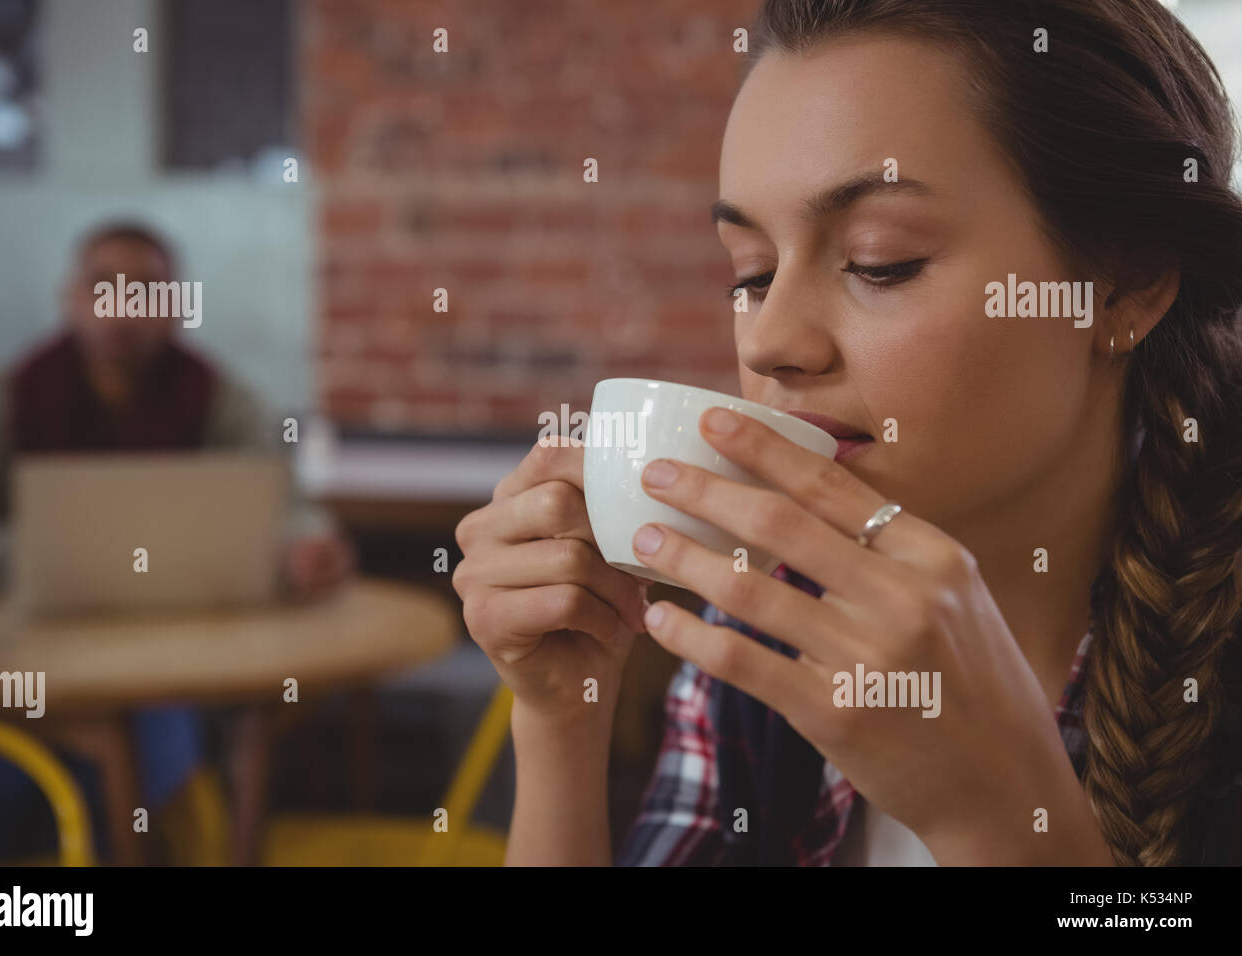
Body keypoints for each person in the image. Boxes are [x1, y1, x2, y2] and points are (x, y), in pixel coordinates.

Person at [452, 0, 1242, 866]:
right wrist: (560, 723)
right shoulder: (761, 627)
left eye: (879, 261)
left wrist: (999, 820)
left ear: (1125, 284)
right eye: (751, 274)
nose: (767, 341)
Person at [0, 220, 353, 863]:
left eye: (147, 288)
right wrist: (50, 560)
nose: (123, 306)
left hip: (170, 664)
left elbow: (284, 507)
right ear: (69, 297)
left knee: (159, 777)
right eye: (103, 285)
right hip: (23, 658)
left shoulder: (219, 399)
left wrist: (306, 545)